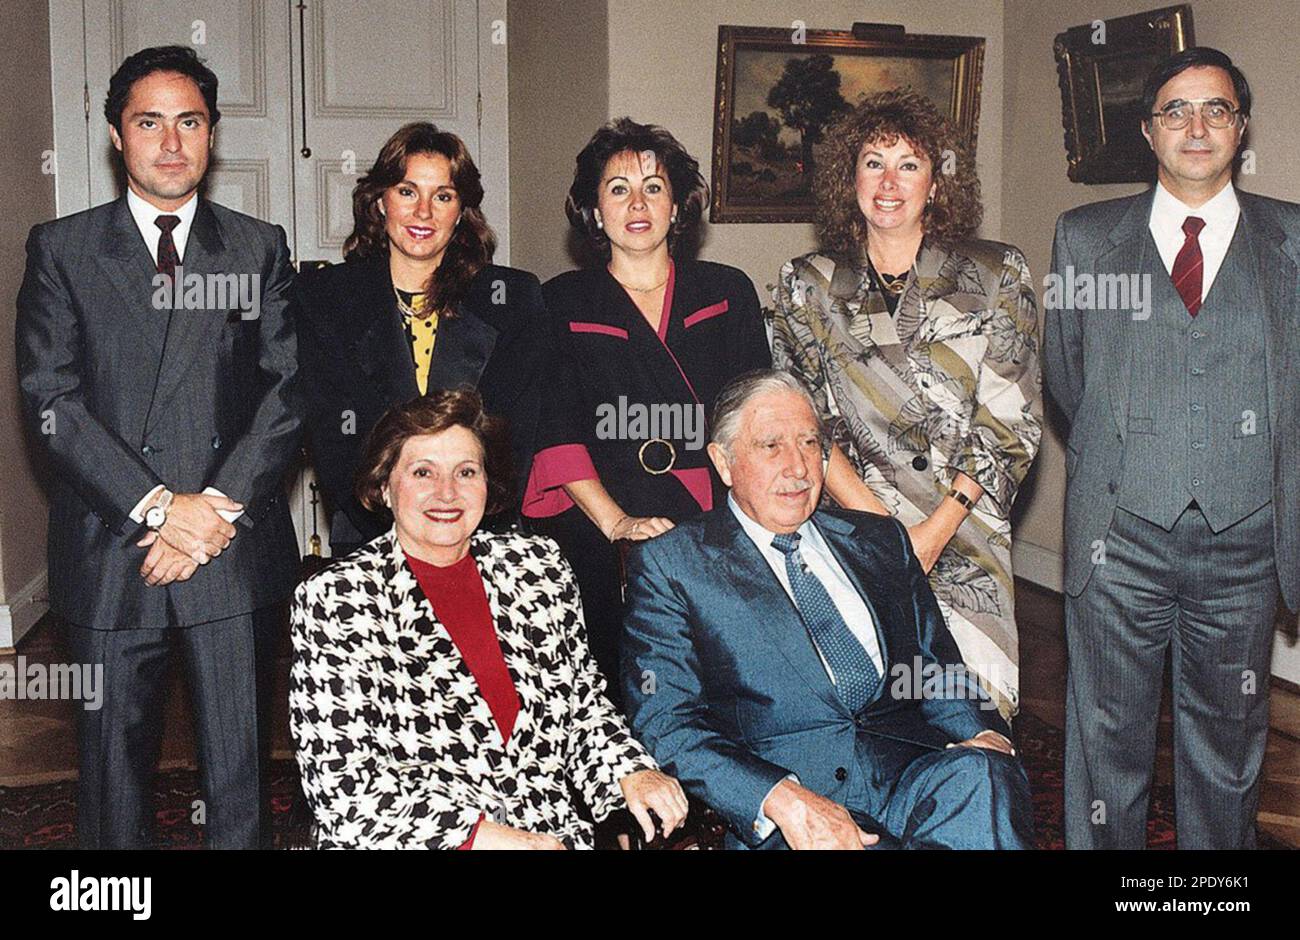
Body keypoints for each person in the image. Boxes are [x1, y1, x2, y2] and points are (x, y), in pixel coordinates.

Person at [15, 46, 301, 848]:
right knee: (110, 776)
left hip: (229, 545)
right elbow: (52, 400)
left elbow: (287, 393)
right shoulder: (62, 250)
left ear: (211, 136)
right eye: (150, 122)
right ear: (116, 135)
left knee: (240, 774)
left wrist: (208, 513)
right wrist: (158, 508)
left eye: (190, 122)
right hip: (114, 545)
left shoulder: (258, 249)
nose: (171, 143)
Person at [1044, 47, 1299, 850]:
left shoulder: (1293, 241)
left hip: (1245, 544)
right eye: (1176, 111)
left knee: (1228, 750)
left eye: (1216, 109)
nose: (1197, 126)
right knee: (1106, 741)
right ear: (1149, 132)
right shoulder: (1084, 239)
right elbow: (1065, 376)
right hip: (1119, 537)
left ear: (1240, 127)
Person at [621, 370, 1033, 850]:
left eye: (809, 444)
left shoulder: (879, 541)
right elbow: (669, 720)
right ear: (724, 462)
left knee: (984, 775)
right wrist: (777, 797)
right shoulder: (674, 565)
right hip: (793, 807)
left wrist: (983, 732)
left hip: (910, 779)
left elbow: (933, 666)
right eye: (770, 446)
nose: (797, 467)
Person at [290, 390, 687, 849]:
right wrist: (489, 838)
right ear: (384, 486)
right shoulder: (339, 598)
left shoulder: (537, 567)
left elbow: (582, 709)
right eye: (423, 472)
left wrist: (629, 771)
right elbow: (345, 791)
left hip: (549, 836)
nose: (447, 493)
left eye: (466, 472)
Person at [772, 90, 1042, 720]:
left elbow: (1010, 424)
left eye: (909, 164)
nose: (889, 182)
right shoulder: (806, 282)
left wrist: (933, 531)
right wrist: (885, 532)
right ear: (850, 178)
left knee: (975, 721)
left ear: (937, 184)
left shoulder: (997, 272)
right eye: (873, 162)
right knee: (869, 721)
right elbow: (803, 423)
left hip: (967, 531)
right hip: (852, 529)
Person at [523, 118, 771, 697]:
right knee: (617, 686)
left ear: (678, 206)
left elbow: (758, 417)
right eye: (617, 189)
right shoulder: (559, 301)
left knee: (728, 689)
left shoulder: (727, 290)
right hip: (599, 522)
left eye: (654, 187)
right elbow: (555, 430)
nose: (637, 203)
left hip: (715, 511)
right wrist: (617, 525)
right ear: (592, 209)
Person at [294, 122, 549, 556]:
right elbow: (333, 440)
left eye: (443, 196)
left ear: (462, 209)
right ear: (379, 202)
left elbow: (514, 442)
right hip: (370, 543)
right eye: (407, 192)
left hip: (481, 541)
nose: (424, 213)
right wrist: (400, 532)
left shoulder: (514, 300)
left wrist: (453, 528)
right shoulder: (324, 300)